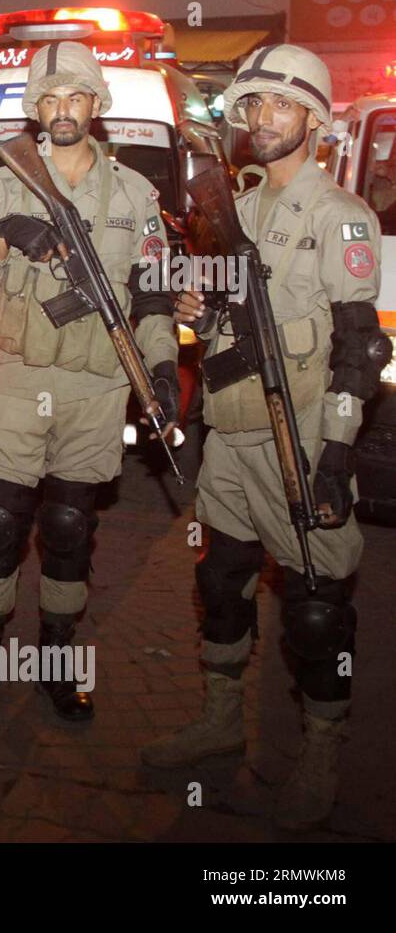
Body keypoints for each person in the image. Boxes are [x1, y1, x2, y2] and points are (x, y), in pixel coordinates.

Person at [144, 45, 386, 831]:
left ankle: (320, 751)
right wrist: (193, 311)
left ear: (313, 120)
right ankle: (220, 718)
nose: (265, 119)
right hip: (231, 436)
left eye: (283, 107)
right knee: (222, 582)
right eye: (256, 106)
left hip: (306, 437)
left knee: (316, 609)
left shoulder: (340, 215)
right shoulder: (233, 211)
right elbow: (216, 316)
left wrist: (339, 455)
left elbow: (361, 349)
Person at [0, 42, 179, 721]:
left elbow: (153, 294)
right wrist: (6, 238)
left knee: (69, 526)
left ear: (97, 106)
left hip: (98, 389)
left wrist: (160, 368)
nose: (62, 110)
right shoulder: (1, 185)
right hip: (17, 378)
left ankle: (57, 661)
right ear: (34, 109)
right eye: (49, 99)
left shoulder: (134, 195)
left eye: (75, 97)